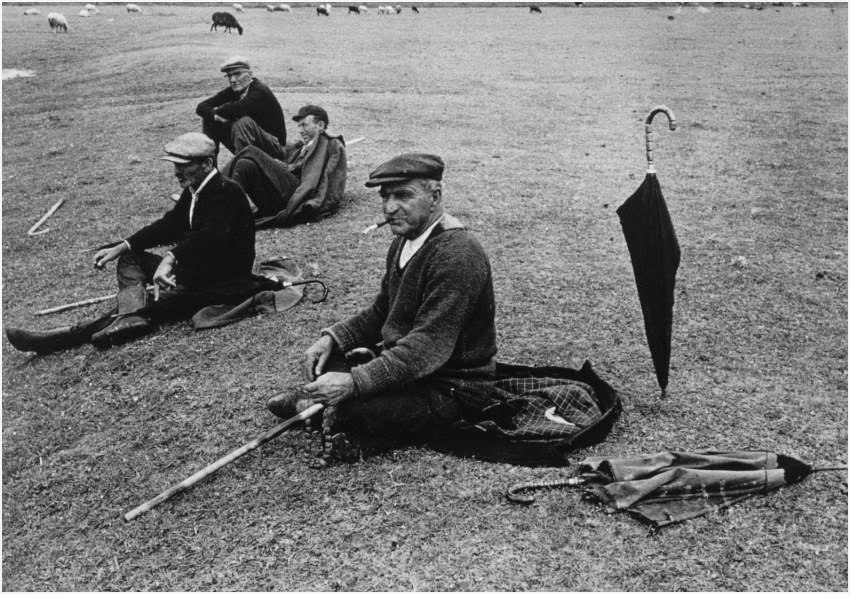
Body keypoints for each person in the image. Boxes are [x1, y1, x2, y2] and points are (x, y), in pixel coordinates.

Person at [266, 153, 498, 461]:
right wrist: (332, 338)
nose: (389, 208)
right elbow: (382, 312)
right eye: (385, 197)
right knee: (333, 362)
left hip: (451, 386)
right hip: (414, 371)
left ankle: (321, 408)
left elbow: (426, 347)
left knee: (350, 407)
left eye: (403, 196)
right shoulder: (406, 239)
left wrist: (354, 381)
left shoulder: (458, 254)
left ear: (435, 196)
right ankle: (322, 406)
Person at [5, 133, 272, 354]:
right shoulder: (196, 189)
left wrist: (170, 259)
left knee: (142, 305)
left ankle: (59, 338)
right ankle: (132, 317)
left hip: (219, 283)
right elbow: (171, 224)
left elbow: (211, 237)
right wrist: (124, 245)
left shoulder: (226, 192)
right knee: (130, 260)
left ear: (207, 163)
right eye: (174, 164)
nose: (177, 171)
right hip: (194, 273)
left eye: (183, 165)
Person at [222, 104, 347, 228]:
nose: (300, 130)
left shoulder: (330, 143)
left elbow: (328, 178)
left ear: (320, 125)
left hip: (297, 194)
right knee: (245, 165)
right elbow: (291, 161)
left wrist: (314, 204)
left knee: (250, 150)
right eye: (299, 126)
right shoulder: (306, 146)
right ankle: (226, 212)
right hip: (281, 197)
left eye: (304, 125)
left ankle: (215, 185)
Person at [195, 57, 287, 160]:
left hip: (275, 148)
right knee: (210, 119)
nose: (232, 80)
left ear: (250, 75)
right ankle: (210, 167)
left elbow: (235, 109)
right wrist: (215, 116)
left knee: (242, 122)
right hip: (254, 144)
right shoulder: (236, 89)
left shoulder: (259, 90)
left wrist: (219, 113)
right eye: (229, 76)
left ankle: (244, 167)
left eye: (237, 74)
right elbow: (201, 107)